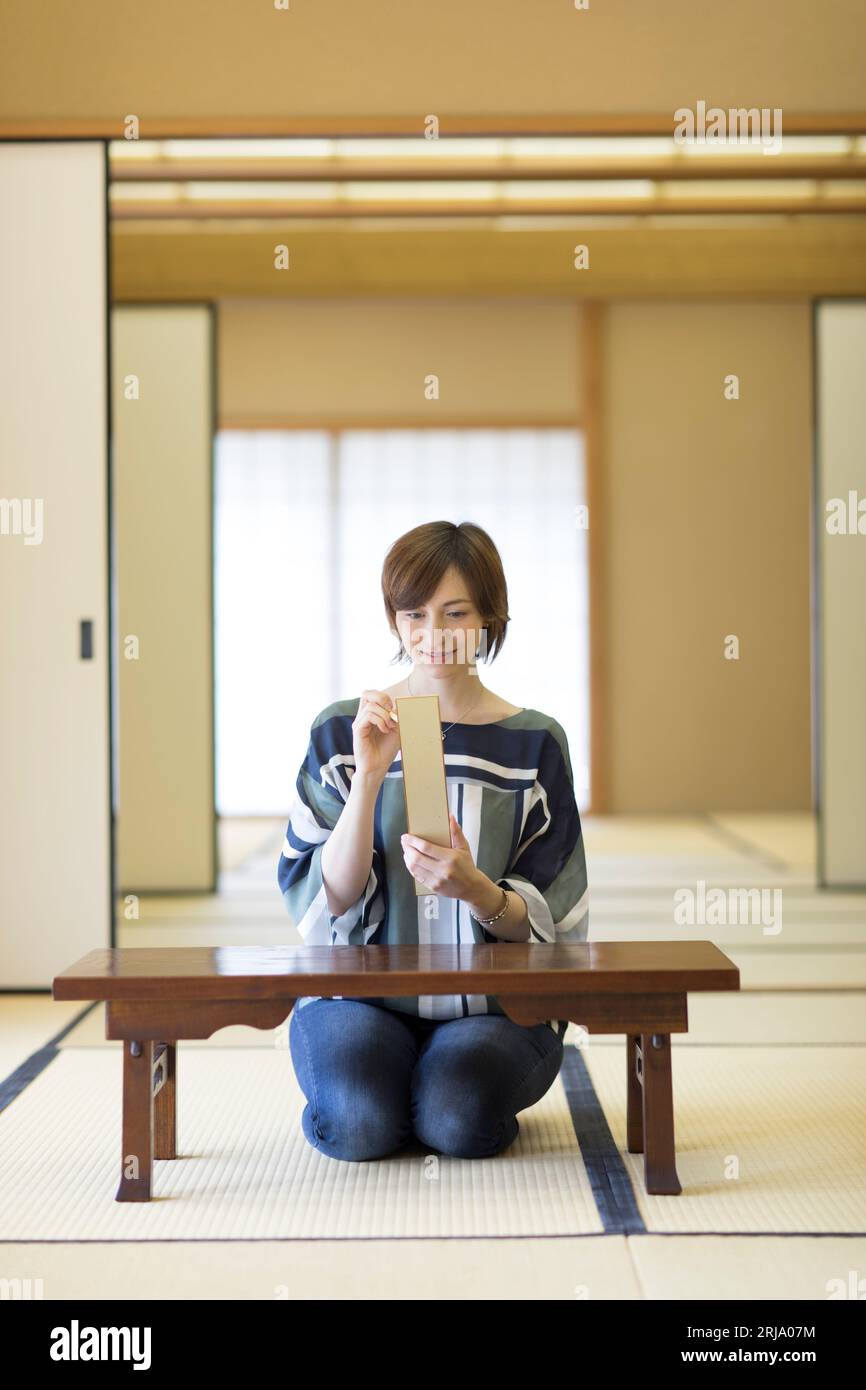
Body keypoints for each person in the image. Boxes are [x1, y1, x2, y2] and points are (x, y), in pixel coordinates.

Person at [277, 519, 589, 1162]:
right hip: (357, 995)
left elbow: (557, 918)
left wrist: (479, 892)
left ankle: (431, 1084)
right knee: (360, 1125)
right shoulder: (343, 729)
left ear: (490, 617)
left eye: (456, 613)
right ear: (393, 619)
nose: (433, 636)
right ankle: (392, 1084)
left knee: (456, 1119)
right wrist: (366, 778)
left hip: (493, 1008)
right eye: (413, 614)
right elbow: (318, 901)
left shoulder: (535, 742)